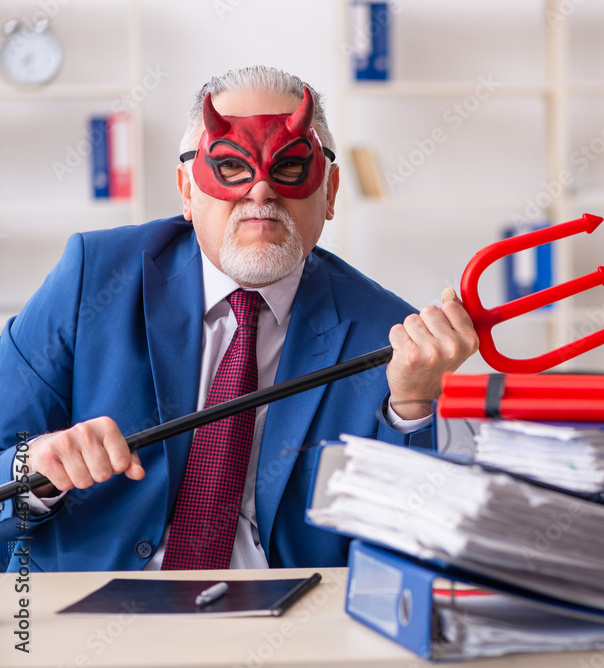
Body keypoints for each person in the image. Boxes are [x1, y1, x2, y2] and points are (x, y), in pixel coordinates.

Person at [0, 66, 478, 571]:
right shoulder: (92, 278)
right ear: (187, 188)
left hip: (288, 623)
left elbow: (418, 545)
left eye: (291, 167)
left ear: (331, 191)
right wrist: (36, 468)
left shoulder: (390, 335)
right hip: (92, 607)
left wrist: (412, 408)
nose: (261, 192)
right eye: (230, 167)